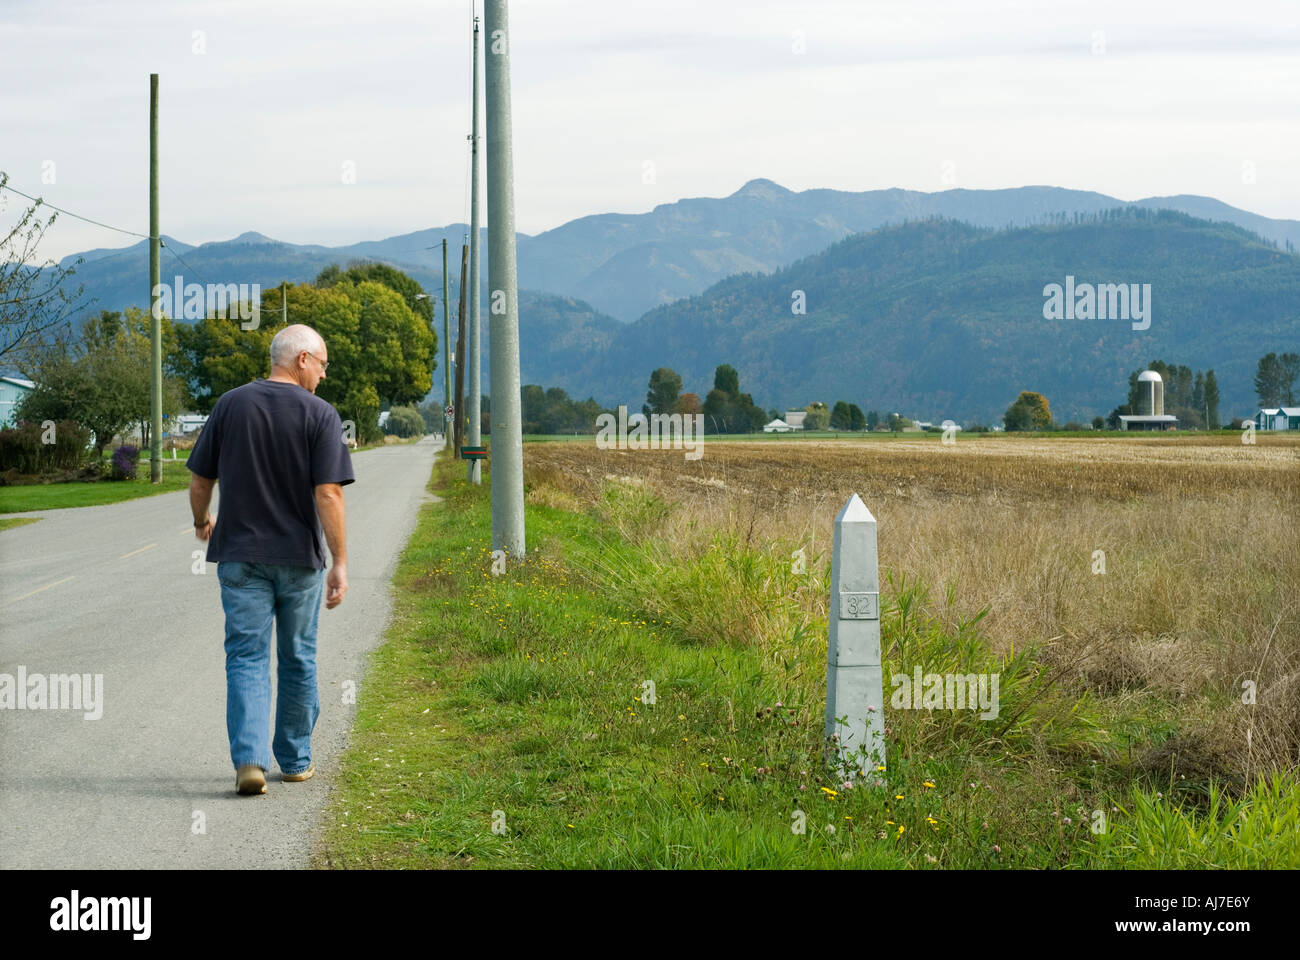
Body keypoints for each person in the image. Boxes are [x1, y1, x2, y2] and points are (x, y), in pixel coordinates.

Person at [187, 324, 354, 796]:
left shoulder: (230, 405)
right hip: (299, 560)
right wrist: (340, 560)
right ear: (302, 359)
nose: (323, 374)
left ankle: (250, 762)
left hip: (240, 557)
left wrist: (202, 520)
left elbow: (201, 479)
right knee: (298, 657)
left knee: (245, 657)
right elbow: (328, 493)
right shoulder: (320, 415)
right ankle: (296, 760)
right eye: (321, 363)